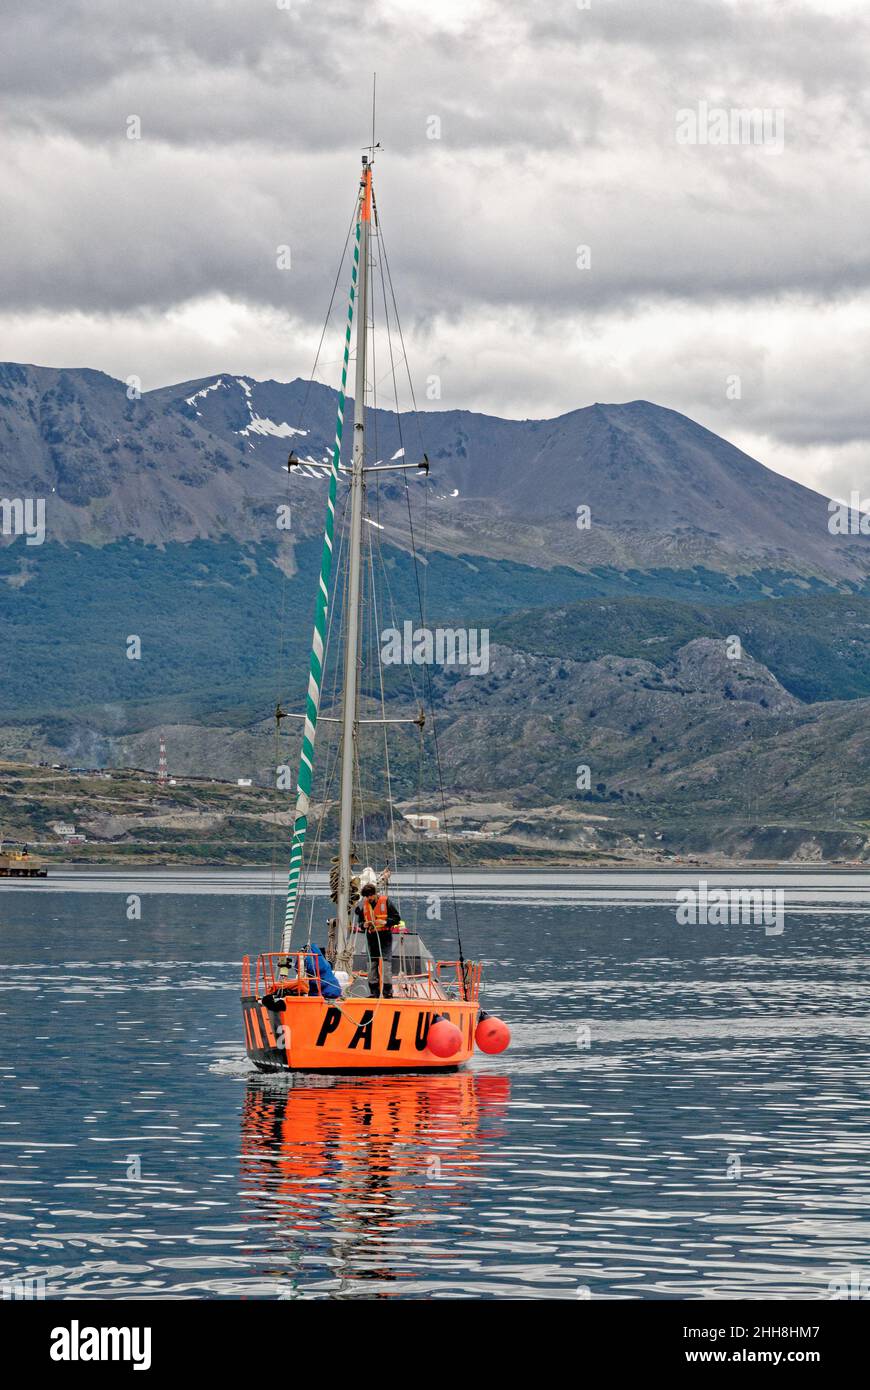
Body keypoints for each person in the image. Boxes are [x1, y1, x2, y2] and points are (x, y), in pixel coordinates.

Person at [355, 882, 402, 997]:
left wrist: (385, 922)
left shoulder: (386, 902)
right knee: (372, 965)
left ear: (375, 894)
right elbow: (360, 921)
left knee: (386, 965)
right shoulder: (364, 905)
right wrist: (363, 925)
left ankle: (387, 992)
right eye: (367, 896)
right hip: (371, 937)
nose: (369, 898)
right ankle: (374, 992)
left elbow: (397, 918)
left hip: (385, 935)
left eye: (370, 896)